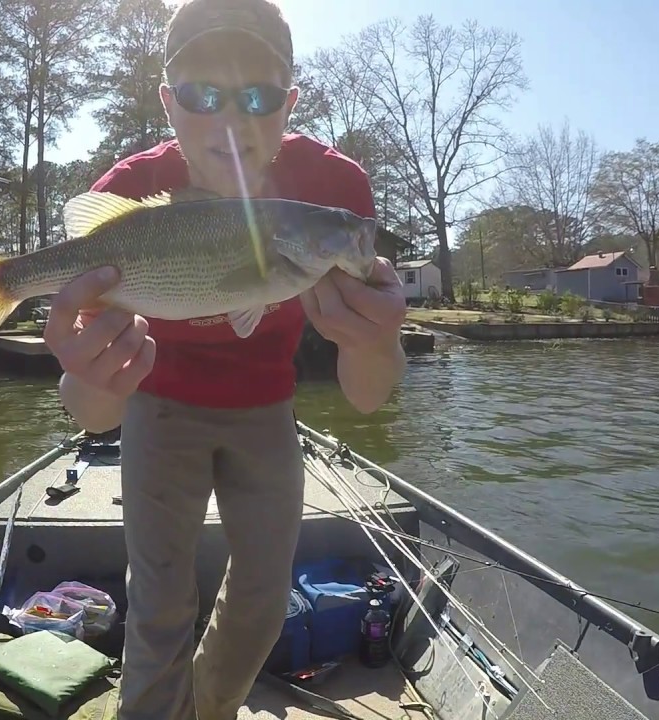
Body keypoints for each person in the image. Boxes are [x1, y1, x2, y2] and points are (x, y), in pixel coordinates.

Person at [41, 0, 409, 718]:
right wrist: (89, 374)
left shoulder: (335, 198)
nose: (230, 121)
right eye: (202, 95)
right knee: (158, 605)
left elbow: (368, 396)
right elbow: (89, 412)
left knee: (263, 602)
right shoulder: (124, 195)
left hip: (266, 407)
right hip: (155, 402)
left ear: (289, 103)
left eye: (257, 96)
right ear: (167, 102)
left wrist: (376, 341)